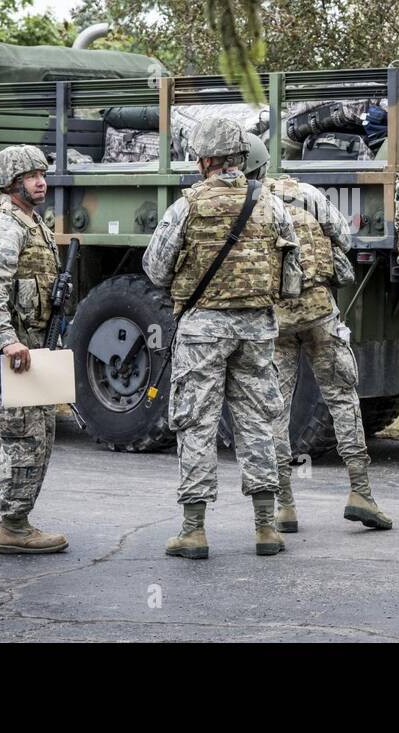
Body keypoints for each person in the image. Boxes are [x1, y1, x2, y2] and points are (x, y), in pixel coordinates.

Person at [143, 118, 301, 559]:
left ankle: (194, 531)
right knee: (257, 422)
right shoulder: (272, 206)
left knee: (197, 422)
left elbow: (155, 269)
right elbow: (292, 279)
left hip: (203, 331)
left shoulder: (187, 206)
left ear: (207, 160)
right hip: (257, 330)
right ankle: (267, 528)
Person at [242, 134, 392, 534]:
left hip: (274, 320)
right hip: (319, 311)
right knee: (342, 397)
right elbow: (343, 235)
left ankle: (285, 506)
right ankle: (361, 493)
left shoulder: (246, 204)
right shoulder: (304, 192)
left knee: (275, 408)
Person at [0, 145, 68, 554]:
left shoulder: (33, 224)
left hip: (33, 347)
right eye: (30, 176)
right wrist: (7, 340)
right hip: (12, 349)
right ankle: (12, 525)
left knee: (41, 433)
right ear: (11, 183)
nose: (40, 181)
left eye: (41, 174)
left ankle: (20, 518)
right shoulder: (4, 227)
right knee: (23, 435)